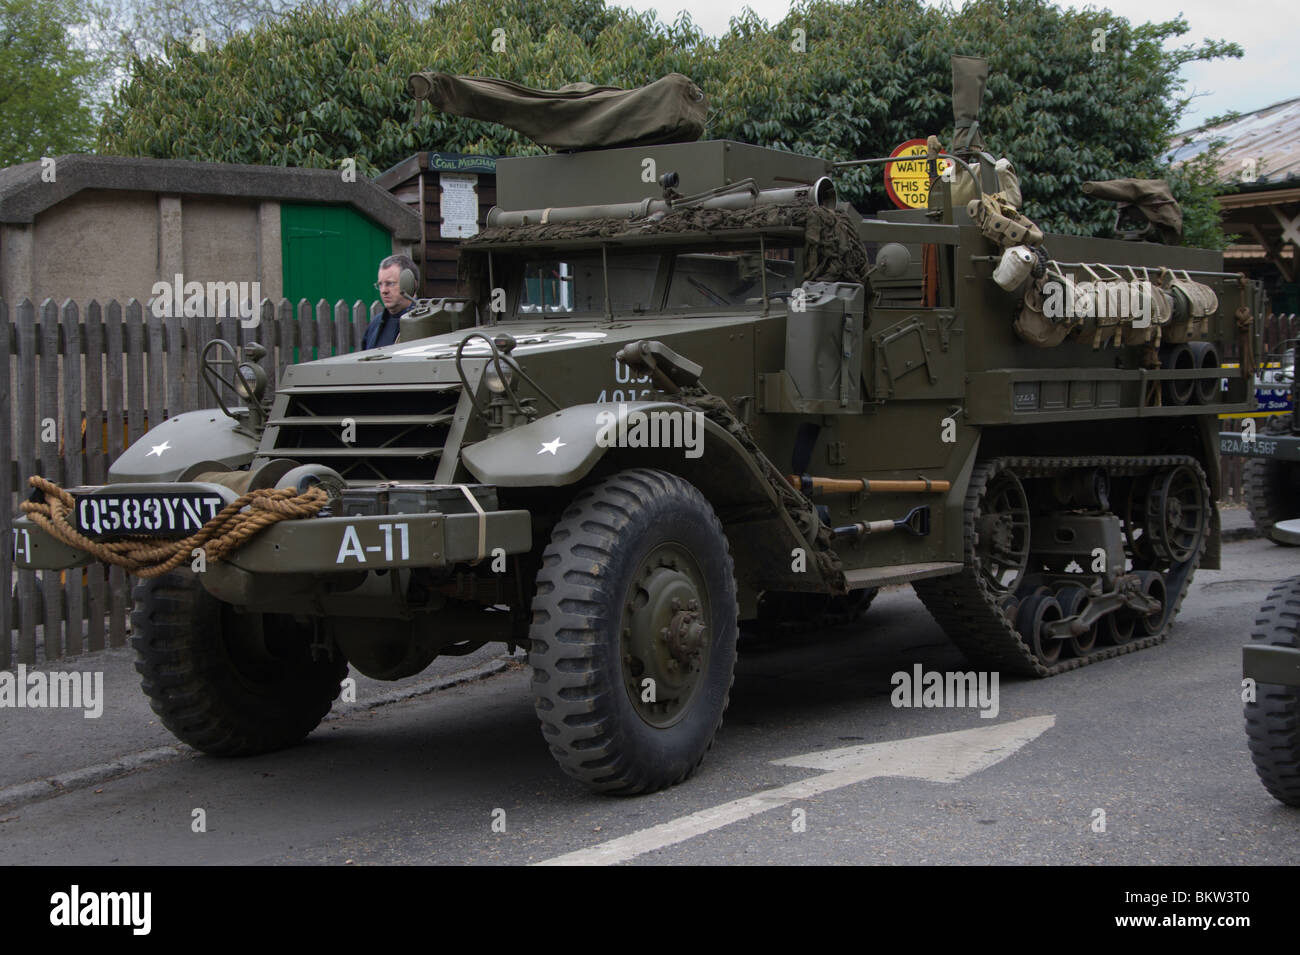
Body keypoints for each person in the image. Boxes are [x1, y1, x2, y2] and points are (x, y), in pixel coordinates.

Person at [362, 254, 419, 349]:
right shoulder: (375, 325)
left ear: (412, 284)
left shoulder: (425, 323)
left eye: (390, 283)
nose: (384, 290)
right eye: (380, 284)